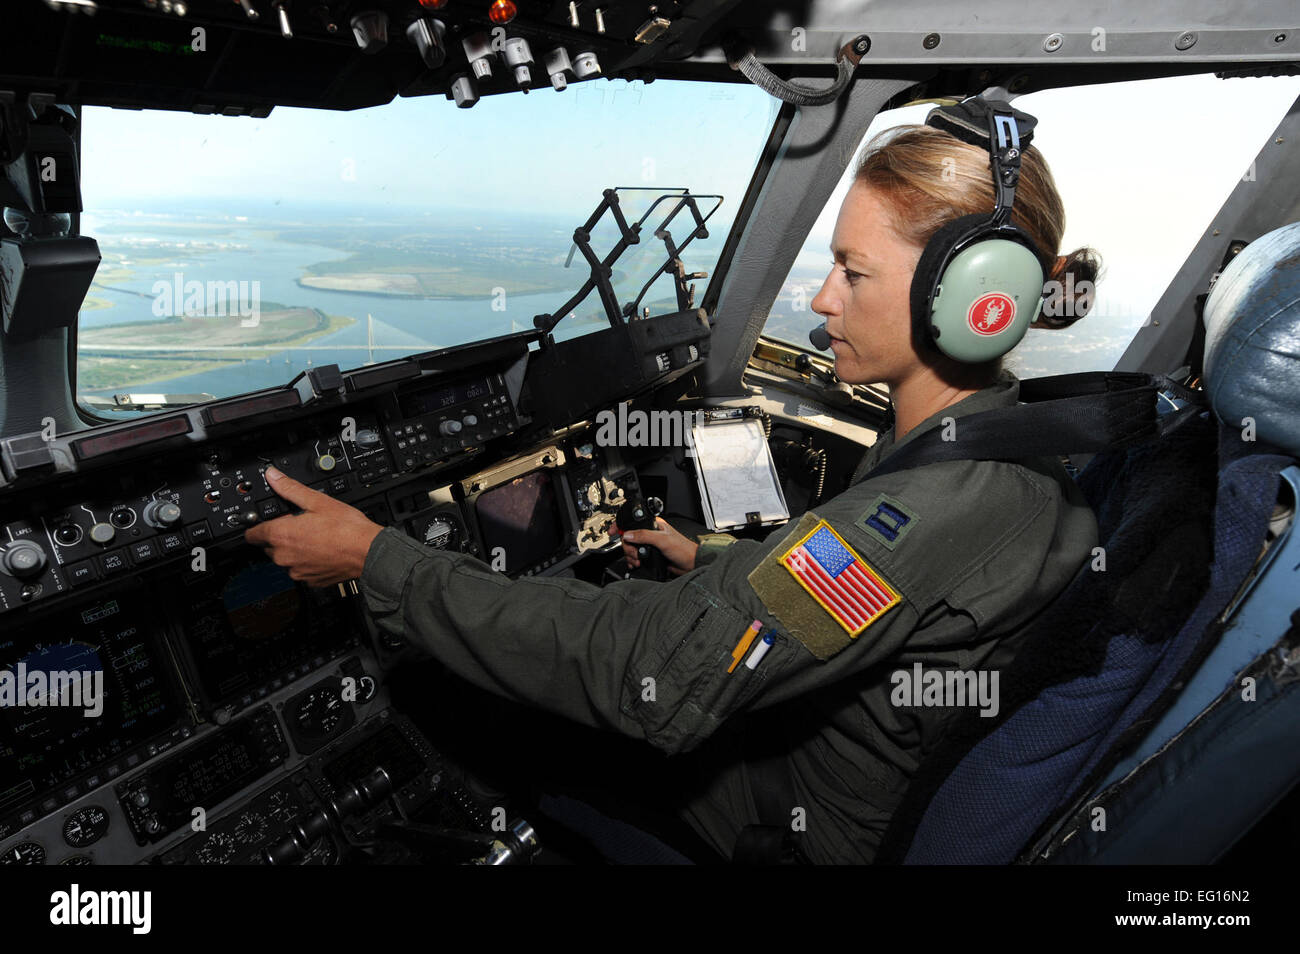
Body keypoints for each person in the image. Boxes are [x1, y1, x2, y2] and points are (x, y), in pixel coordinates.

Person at [244, 122, 1102, 864]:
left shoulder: (944, 501)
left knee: (469, 707)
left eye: (853, 270)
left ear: (976, 301)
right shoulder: (979, 448)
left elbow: (650, 668)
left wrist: (379, 560)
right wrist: (715, 558)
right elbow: (843, 592)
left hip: (793, 823)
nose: (820, 297)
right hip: (831, 770)